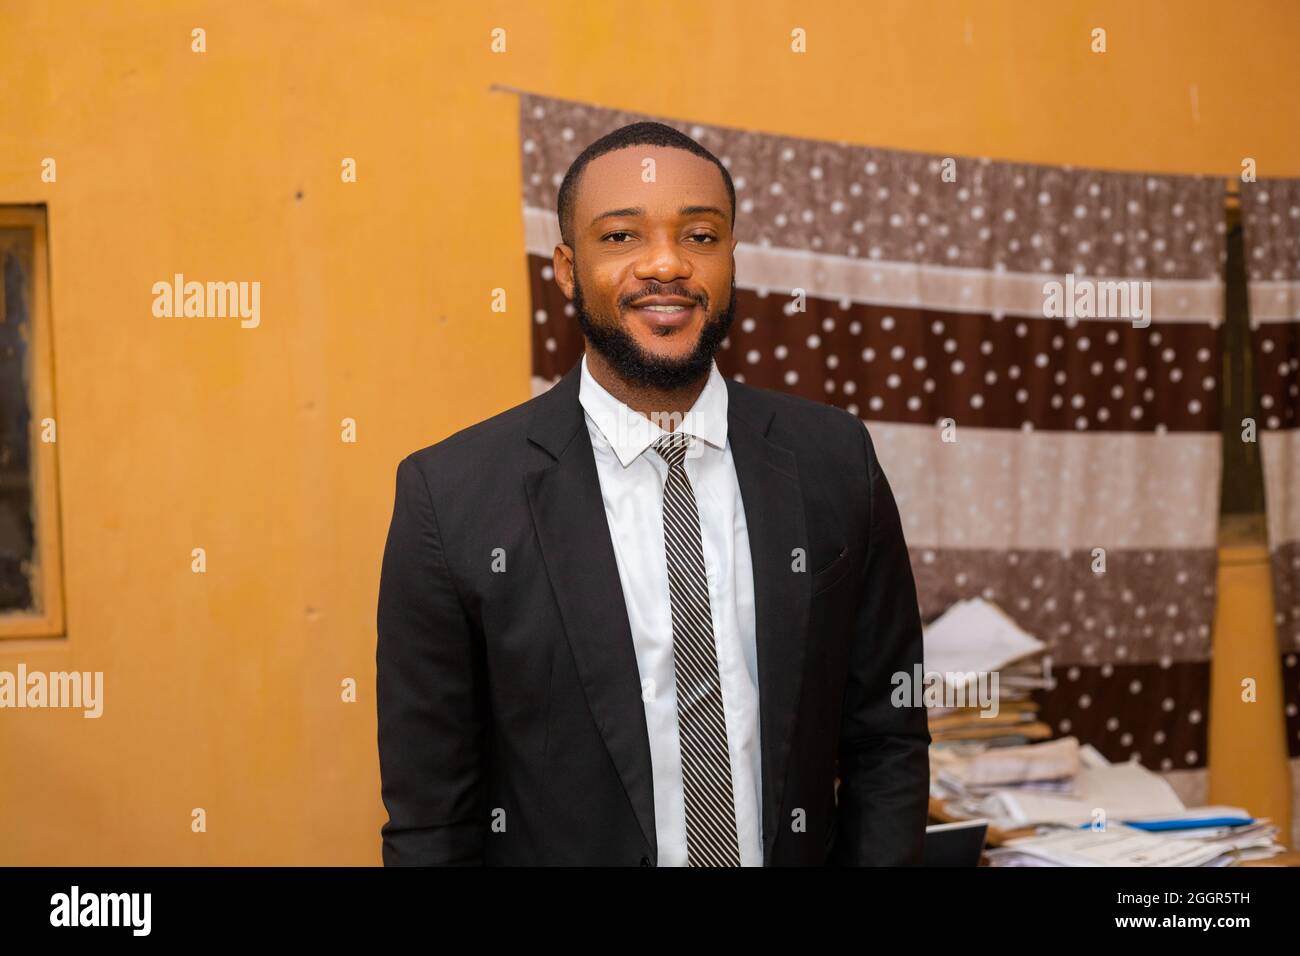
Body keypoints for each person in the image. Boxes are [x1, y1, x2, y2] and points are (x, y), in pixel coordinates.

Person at [376, 121, 930, 866]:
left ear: (732, 259)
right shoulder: (450, 495)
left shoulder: (836, 460)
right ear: (568, 269)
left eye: (700, 237)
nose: (666, 265)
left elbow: (887, 738)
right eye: (621, 237)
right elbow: (432, 819)